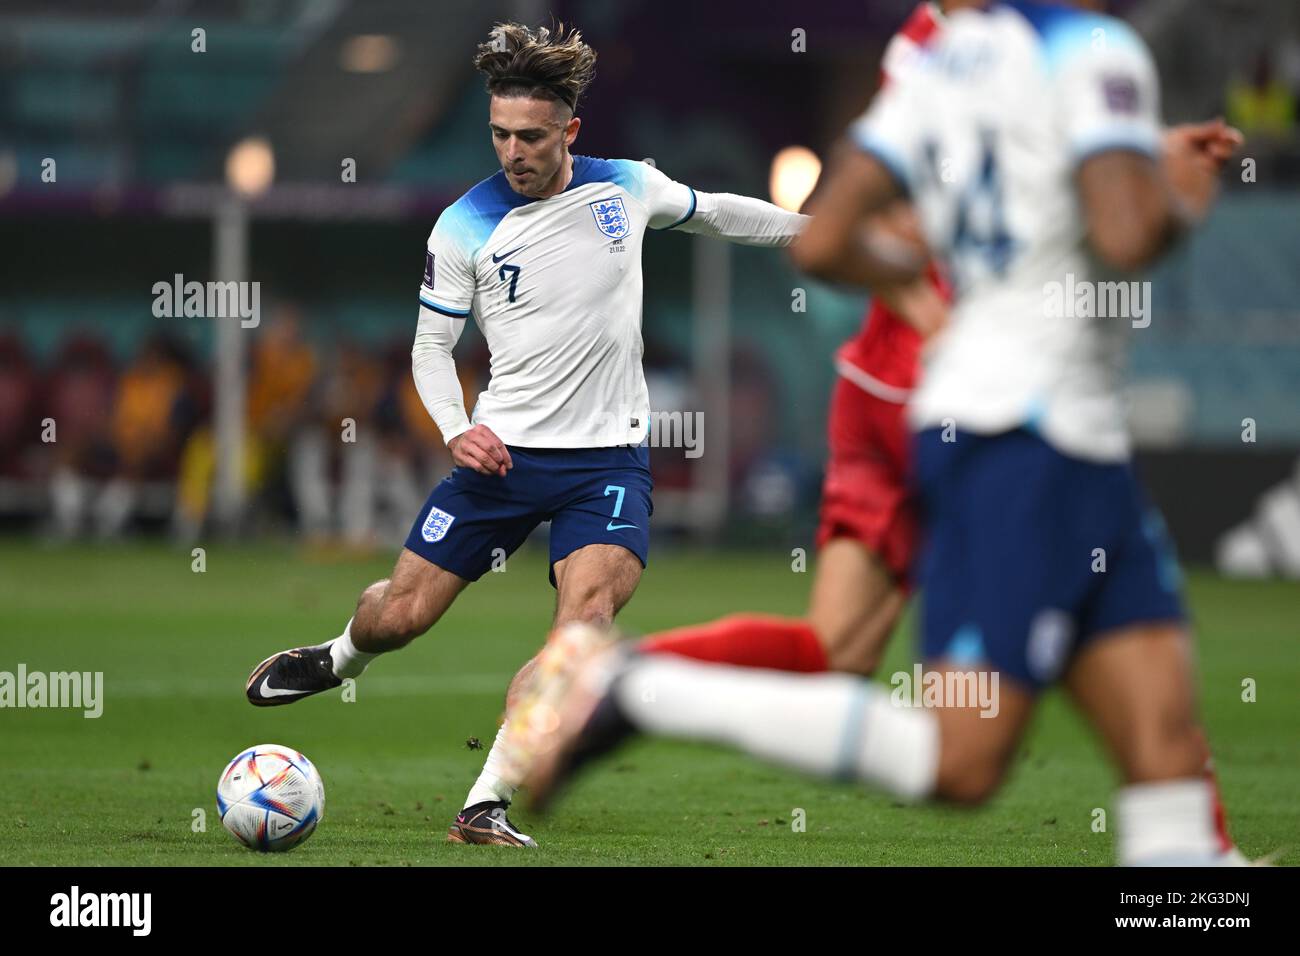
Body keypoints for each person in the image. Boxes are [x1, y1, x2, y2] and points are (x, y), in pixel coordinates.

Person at [501, 0, 1249, 867]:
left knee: (1156, 747)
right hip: (1018, 433)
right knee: (963, 758)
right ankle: (641, 690)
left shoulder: (934, 57)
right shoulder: (1095, 49)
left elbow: (825, 243)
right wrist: (1178, 195)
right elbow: (1125, 232)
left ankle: (1203, 873)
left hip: (1012, 424)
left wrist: (952, 291)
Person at [242, 19, 808, 848]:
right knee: (399, 617)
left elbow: (720, 213)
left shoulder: (626, 187)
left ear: (570, 131)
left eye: (533, 136)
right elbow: (430, 349)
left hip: (607, 464)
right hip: (499, 455)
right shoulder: (463, 225)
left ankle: (485, 803)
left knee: (583, 630)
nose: (514, 151)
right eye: (501, 134)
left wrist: (814, 232)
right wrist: (454, 428)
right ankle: (338, 658)